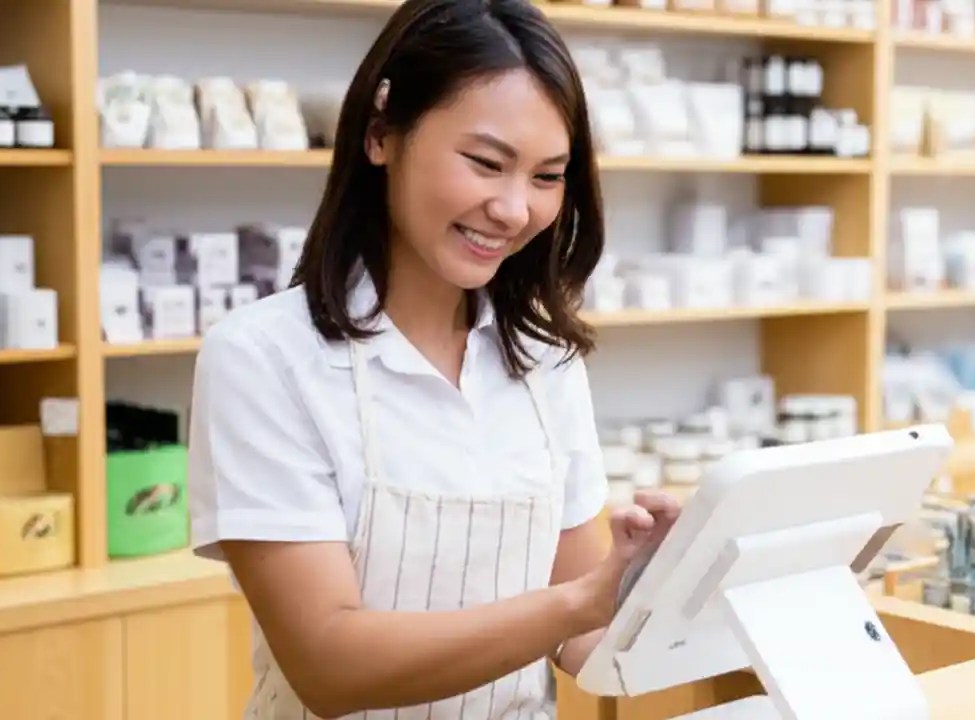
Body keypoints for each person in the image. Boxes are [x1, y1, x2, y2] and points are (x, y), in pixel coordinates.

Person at [186, 1, 681, 718]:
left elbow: (585, 643)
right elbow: (329, 667)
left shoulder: (546, 363)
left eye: (547, 177)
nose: (515, 210)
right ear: (382, 132)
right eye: (486, 163)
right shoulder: (263, 359)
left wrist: (660, 584)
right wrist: (579, 601)